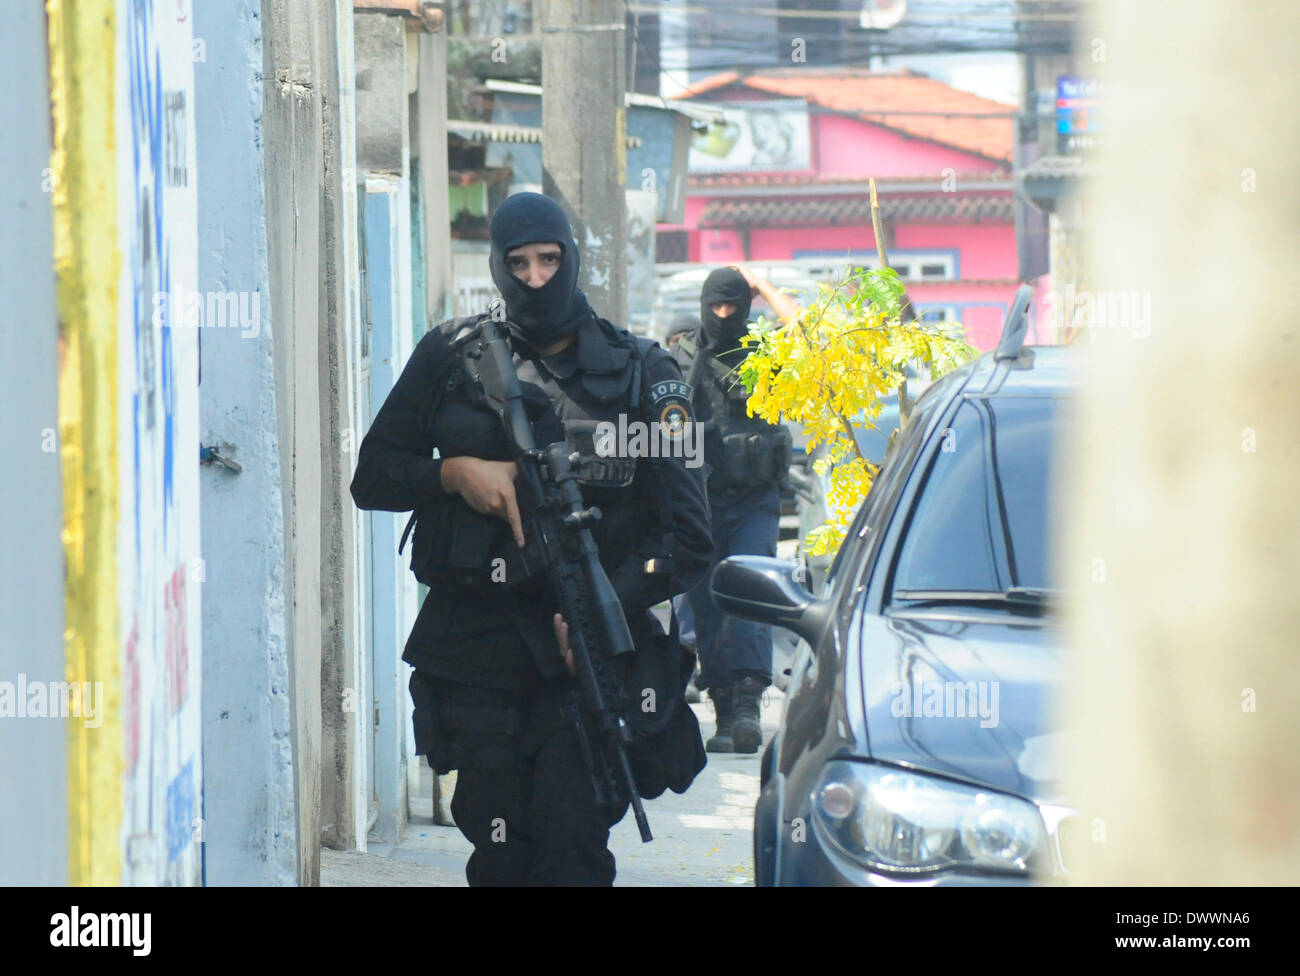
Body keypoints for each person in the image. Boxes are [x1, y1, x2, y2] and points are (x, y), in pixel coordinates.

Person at [350, 192, 712, 885]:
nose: (537, 278)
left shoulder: (645, 375)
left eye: (550, 259)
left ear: (571, 258)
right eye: (519, 263)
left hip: (587, 661)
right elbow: (374, 478)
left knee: (571, 843)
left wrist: (610, 611)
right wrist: (454, 474)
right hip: (478, 656)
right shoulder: (452, 359)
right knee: (501, 853)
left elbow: (691, 537)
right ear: (497, 266)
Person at [673, 265, 798, 755]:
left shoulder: (764, 354)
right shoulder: (682, 353)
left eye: (734, 307)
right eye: (716, 307)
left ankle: (748, 706)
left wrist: (766, 285)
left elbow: (805, 335)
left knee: (749, 595)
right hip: (699, 499)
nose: (724, 315)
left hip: (754, 500)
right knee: (706, 604)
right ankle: (724, 710)